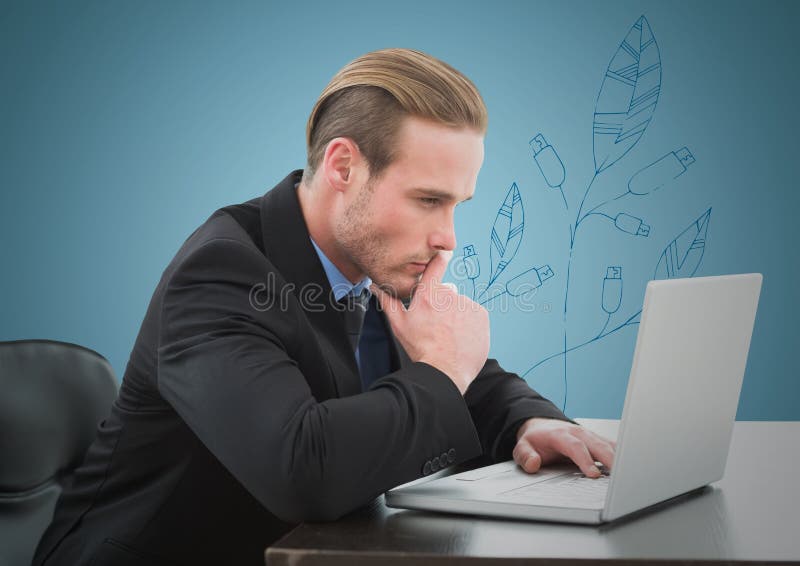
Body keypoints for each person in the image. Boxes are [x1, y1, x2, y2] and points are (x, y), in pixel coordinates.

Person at [33, 48, 615, 566]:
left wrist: (529, 421)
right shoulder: (219, 275)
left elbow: (461, 372)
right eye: (427, 200)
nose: (447, 238)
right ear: (343, 167)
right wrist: (442, 372)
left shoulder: (376, 259)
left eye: (456, 204)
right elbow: (301, 471)